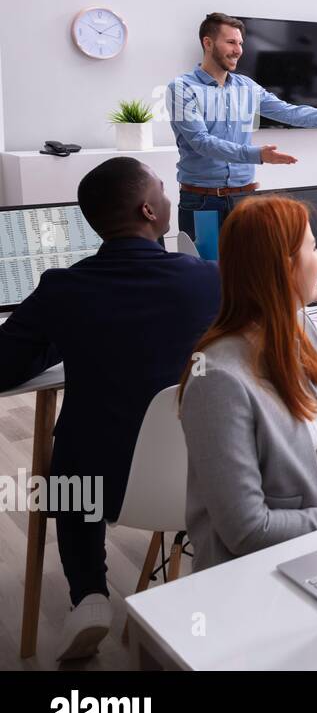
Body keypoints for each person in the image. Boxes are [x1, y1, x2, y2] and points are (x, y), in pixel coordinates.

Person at [0, 157, 220, 660]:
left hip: (102, 489)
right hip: (203, 477)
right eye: (163, 191)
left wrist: (57, 337)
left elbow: (4, 366)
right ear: (148, 209)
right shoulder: (208, 280)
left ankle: (90, 595)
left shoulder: (64, 289)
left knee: (72, 449)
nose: (168, 199)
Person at [179, 195, 317, 571]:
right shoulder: (217, 381)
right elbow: (247, 530)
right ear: (284, 266)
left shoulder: (302, 328)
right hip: (259, 572)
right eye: (312, 246)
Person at [167, 12, 317, 242]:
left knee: (250, 272)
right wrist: (258, 155)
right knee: (206, 273)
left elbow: (290, 113)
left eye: (240, 43)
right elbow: (201, 142)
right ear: (207, 43)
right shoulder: (182, 88)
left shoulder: (247, 87)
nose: (238, 50)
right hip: (201, 202)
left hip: (245, 200)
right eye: (230, 42)